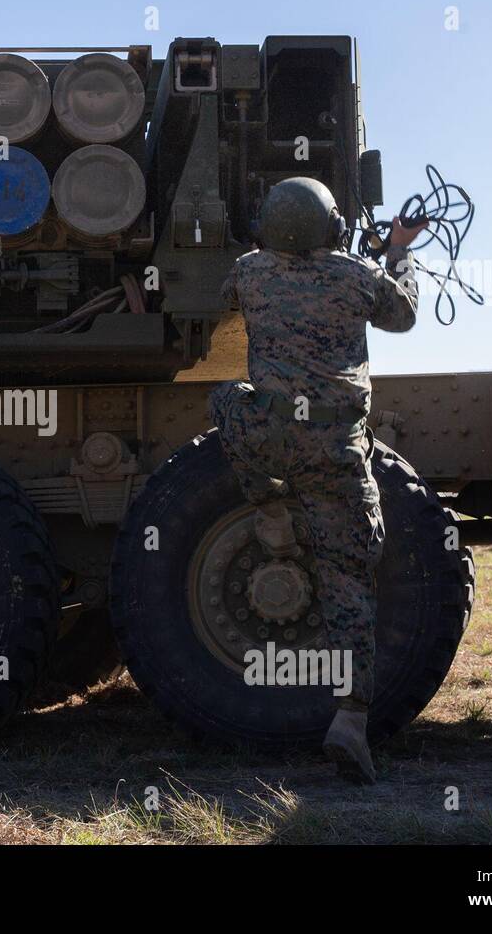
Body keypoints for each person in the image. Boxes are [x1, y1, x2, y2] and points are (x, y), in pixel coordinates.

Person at [209, 176, 425, 784]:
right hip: (334, 446)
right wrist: (398, 252)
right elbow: (404, 316)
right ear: (333, 225)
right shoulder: (357, 276)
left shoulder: (249, 272)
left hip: (268, 434)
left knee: (226, 399)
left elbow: (224, 298)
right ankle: (351, 721)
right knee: (348, 578)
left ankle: (269, 508)